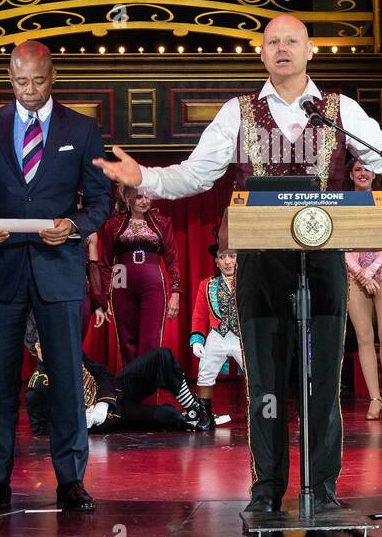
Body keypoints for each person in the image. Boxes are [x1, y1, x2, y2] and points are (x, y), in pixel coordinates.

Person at [93, 13, 382, 513]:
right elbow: (195, 176)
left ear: (311, 52)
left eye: (292, 41)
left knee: (323, 380)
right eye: (272, 42)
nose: (282, 48)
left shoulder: (339, 110)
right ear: (261, 54)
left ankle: (323, 491)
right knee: (264, 381)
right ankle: (265, 493)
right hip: (260, 266)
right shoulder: (236, 113)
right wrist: (146, 176)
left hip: (324, 263)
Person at [0, 41, 111, 514]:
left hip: (58, 272)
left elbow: (101, 201)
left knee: (66, 378)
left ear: (53, 76)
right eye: (21, 81)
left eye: (38, 81)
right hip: (1, 271)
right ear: (9, 77)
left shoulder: (83, 129)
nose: (29, 90)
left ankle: (71, 481)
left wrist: (75, 227)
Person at [25, 315, 213, 434]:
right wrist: (82, 421)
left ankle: (195, 408)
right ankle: (184, 415)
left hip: (114, 393)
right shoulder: (38, 387)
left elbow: (103, 373)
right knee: (171, 417)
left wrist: (103, 402)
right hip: (111, 417)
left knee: (161, 356)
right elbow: (40, 428)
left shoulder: (71, 352)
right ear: (39, 347)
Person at [345, 159, 382, 420]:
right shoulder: (343, 203)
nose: (362, 173)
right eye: (357, 169)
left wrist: (371, 271)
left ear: (375, 173)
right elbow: (339, 241)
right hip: (354, 274)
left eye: (367, 168)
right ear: (350, 174)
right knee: (364, 337)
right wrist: (359, 272)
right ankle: (375, 397)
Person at [95, 186, 181, 364]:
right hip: (121, 280)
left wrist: (175, 293)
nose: (144, 201)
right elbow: (105, 262)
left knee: (150, 341)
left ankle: (149, 390)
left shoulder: (162, 222)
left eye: (148, 197)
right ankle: (131, 389)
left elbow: (172, 259)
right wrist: (104, 298)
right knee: (127, 341)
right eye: (139, 197)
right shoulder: (113, 224)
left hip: (153, 283)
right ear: (128, 199)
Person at [189, 245, 243, 409]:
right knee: (205, 373)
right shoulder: (206, 285)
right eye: (222, 257)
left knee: (256, 376)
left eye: (232, 256)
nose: (227, 262)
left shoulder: (248, 284)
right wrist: (197, 340)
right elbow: (200, 315)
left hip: (242, 336)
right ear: (216, 262)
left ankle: (258, 417)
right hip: (217, 335)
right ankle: (204, 415)